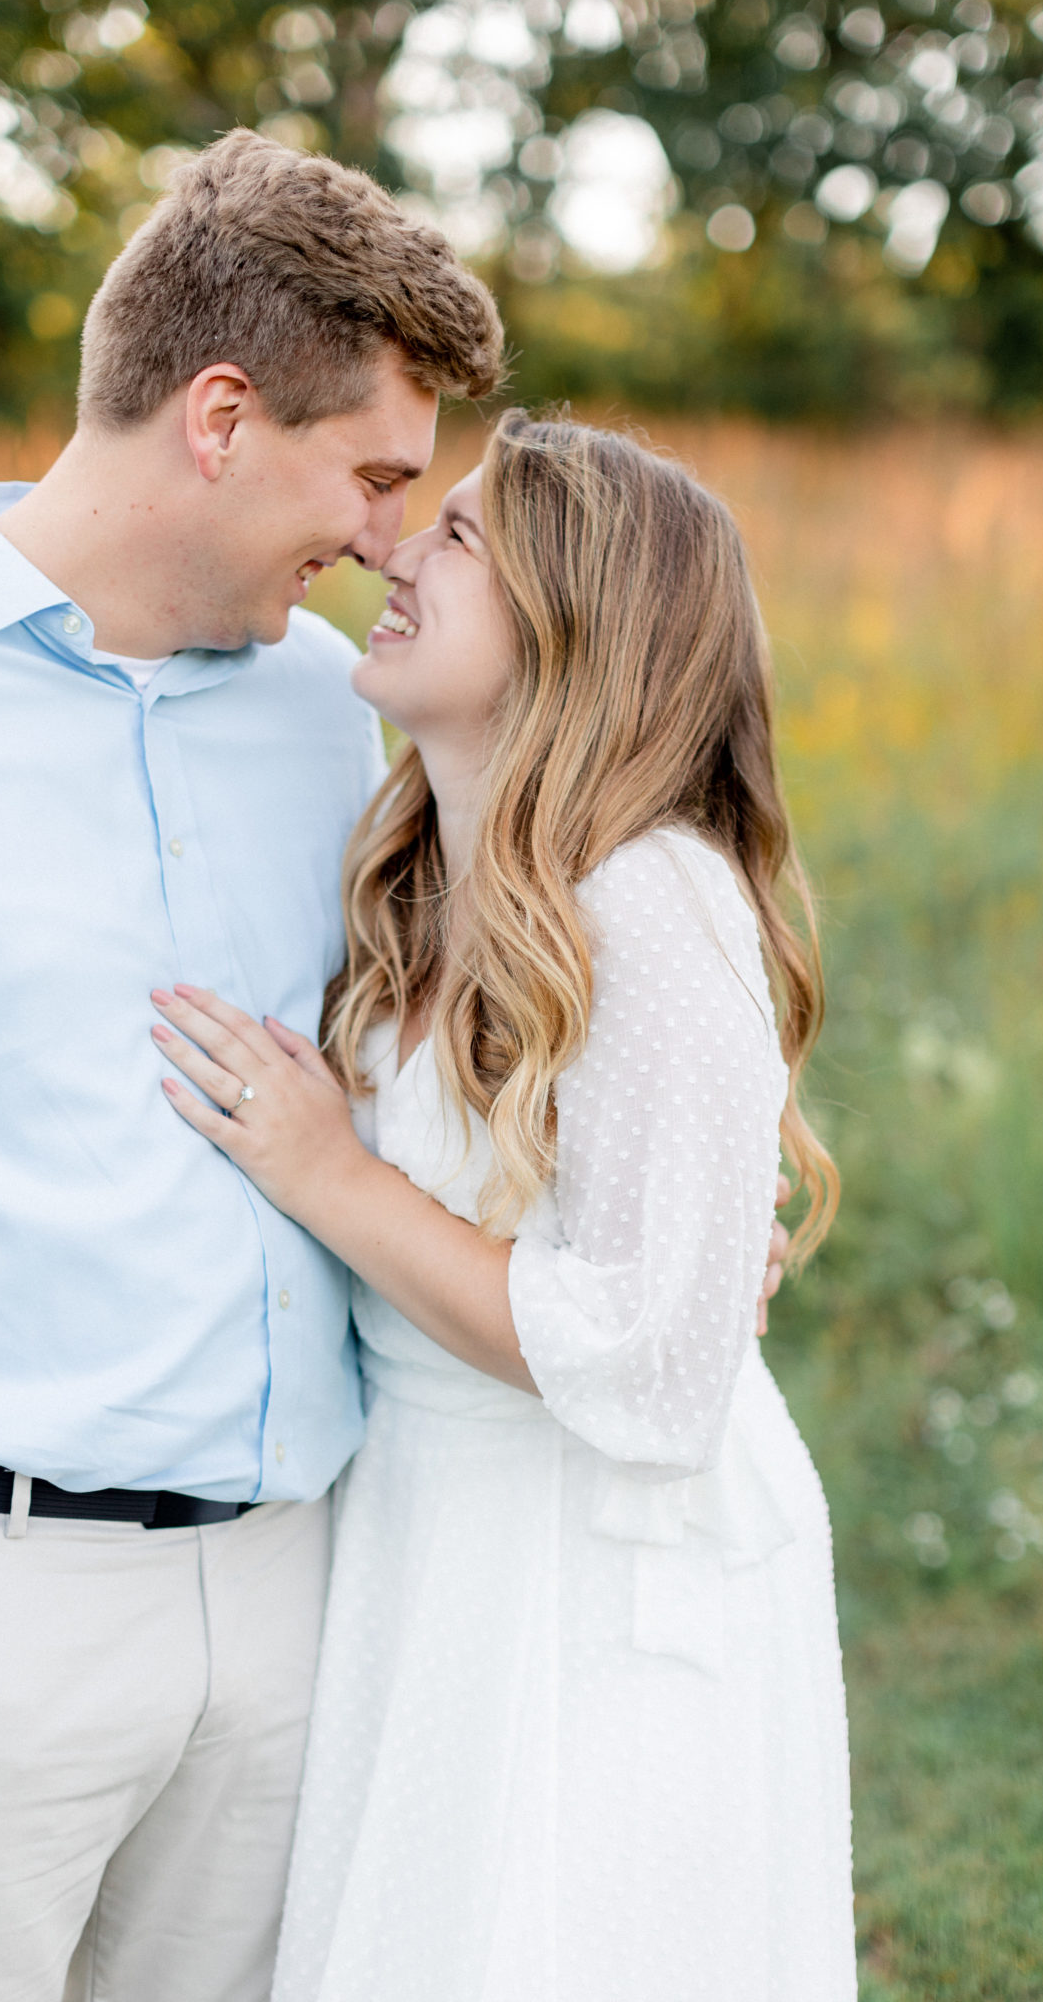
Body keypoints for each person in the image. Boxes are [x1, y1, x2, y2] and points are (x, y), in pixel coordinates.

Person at [0, 131, 505, 2002]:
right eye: (370, 474)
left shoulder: (330, 720)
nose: (387, 533)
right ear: (221, 413)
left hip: (284, 1621)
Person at [150, 411, 857, 2001]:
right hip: (424, 1527)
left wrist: (328, 1172)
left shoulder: (650, 899)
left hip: (580, 1578)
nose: (395, 549)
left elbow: (661, 1384)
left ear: (576, 621)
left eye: (458, 536)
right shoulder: (419, 877)